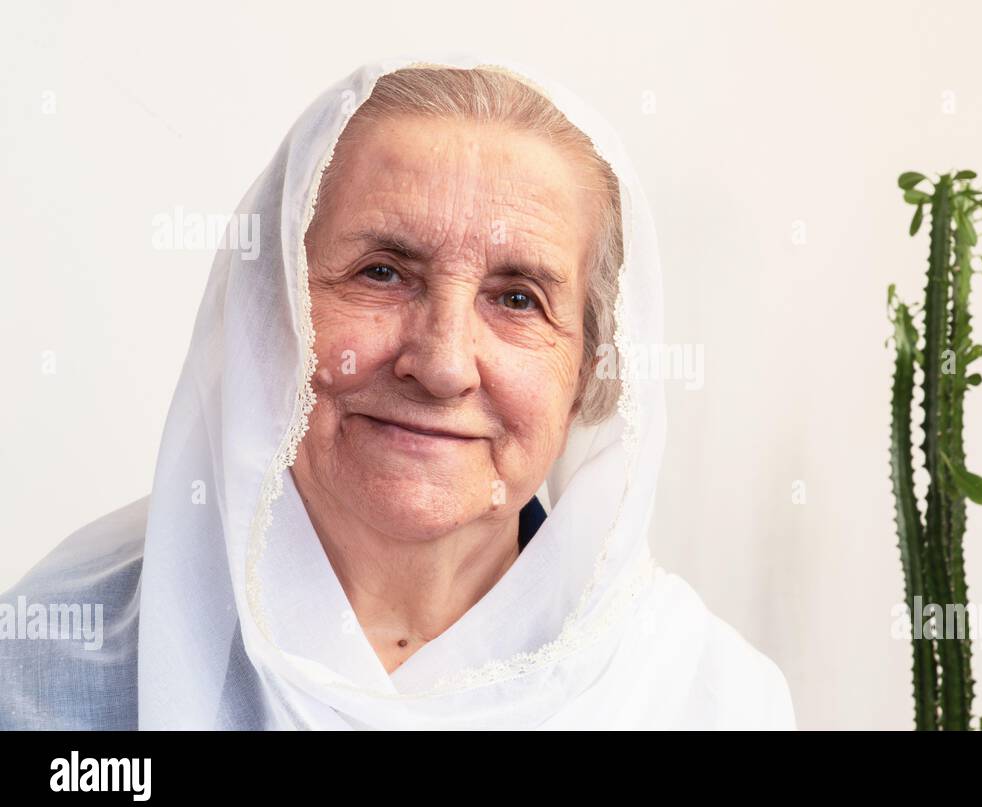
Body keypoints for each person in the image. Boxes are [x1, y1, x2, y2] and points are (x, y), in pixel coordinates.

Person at [0, 54, 796, 730]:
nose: (443, 362)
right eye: (381, 272)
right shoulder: (55, 659)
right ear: (270, 315)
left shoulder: (710, 697)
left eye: (517, 297)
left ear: (589, 364)